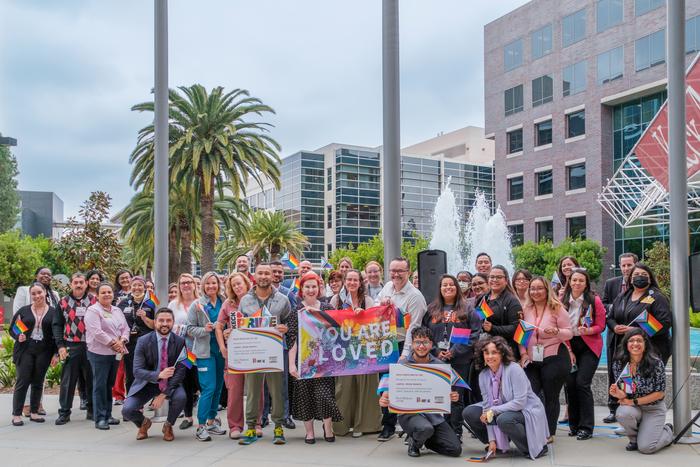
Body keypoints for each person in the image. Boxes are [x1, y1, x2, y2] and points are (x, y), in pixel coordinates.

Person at [379, 327, 462, 458]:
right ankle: (415, 443)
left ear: (432, 345)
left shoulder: (440, 366)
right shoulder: (402, 364)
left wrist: (452, 396)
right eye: (417, 342)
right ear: (412, 344)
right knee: (425, 429)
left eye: (425, 342)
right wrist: (384, 396)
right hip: (409, 414)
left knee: (455, 449)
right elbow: (387, 384)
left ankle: (424, 439)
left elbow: (448, 391)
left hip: (433, 415)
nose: (421, 346)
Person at [463, 336, 549, 460]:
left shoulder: (514, 369)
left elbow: (520, 402)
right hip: (503, 410)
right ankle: (497, 444)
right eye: (486, 352)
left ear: (502, 354)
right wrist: (491, 439)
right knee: (470, 412)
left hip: (527, 409)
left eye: (494, 352)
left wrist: (494, 410)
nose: (490, 356)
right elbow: (487, 408)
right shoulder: (483, 375)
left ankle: (533, 447)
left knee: (504, 419)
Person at [238, 263, 292, 446]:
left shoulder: (283, 299)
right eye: (260, 272)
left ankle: (278, 427)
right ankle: (251, 427)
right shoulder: (245, 300)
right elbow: (238, 324)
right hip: (252, 352)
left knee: (277, 391)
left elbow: (289, 324)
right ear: (254, 275)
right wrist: (232, 332)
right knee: (252, 392)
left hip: (275, 352)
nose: (263, 276)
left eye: (267, 273)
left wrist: (285, 328)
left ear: (272, 276)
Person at [422, 274, 481, 437]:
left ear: (457, 287)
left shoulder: (467, 308)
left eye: (451, 285)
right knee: (439, 396)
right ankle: (442, 430)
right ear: (440, 289)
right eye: (444, 285)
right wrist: (434, 350)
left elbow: (475, 333)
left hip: (460, 360)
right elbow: (424, 333)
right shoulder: (431, 309)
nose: (448, 287)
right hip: (437, 360)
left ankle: (455, 432)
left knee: (455, 397)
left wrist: (454, 351)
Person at [376, 256, 428, 441]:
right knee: (385, 386)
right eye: (393, 270)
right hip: (385, 346)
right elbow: (375, 310)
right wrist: (380, 305)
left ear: (408, 272)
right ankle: (388, 426)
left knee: (405, 389)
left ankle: (410, 428)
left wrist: (405, 355)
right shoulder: (387, 288)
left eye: (400, 271)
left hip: (402, 347)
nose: (396, 274)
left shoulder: (415, 297)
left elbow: (413, 329)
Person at [288, 273, 343, 443]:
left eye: (314, 286)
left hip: (324, 361)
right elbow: (293, 340)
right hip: (304, 362)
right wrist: (292, 365)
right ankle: (309, 432)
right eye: (307, 287)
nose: (311, 290)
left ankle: (328, 428)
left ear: (319, 288)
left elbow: (337, 328)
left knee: (324, 395)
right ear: (302, 290)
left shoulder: (327, 308)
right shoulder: (295, 311)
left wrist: (316, 312)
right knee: (305, 396)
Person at [329, 269, 382, 438]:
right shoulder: (336, 300)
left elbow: (375, 324)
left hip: (364, 351)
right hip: (344, 351)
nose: (352, 283)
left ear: (360, 282)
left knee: (364, 388)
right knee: (344, 388)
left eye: (355, 280)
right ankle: (341, 425)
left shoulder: (368, 300)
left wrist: (364, 315)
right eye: (349, 279)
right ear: (345, 281)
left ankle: (363, 425)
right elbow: (330, 324)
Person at [122, 308, 188, 442]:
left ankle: (169, 425)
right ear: (155, 322)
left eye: (168, 320)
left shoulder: (180, 341)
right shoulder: (143, 341)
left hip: (170, 384)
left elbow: (181, 371)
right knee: (127, 410)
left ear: (173, 322)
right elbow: (137, 371)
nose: (164, 324)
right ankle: (143, 423)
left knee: (181, 397)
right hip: (148, 384)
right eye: (161, 320)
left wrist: (163, 394)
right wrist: (159, 375)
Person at [519, 276, 572, 440]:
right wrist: (523, 354)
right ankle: (534, 428)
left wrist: (557, 332)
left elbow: (569, 332)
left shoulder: (557, 308)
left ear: (547, 290)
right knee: (531, 394)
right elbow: (521, 335)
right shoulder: (525, 308)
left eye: (540, 288)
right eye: (532, 288)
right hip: (532, 359)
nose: (536, 291)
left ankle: (549, 432)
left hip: (554, 356)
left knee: (551, 396)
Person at [215, 272, 264, 440]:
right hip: (235, 354)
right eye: (233, 285)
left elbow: (265, 323)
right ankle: (235, 426)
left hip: (255, 351)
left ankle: (255, 424)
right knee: (234, 390)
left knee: (255, 389)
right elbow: (219, 326)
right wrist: (222, 346)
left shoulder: (257, 301)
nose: (237, 286)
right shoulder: (228, 304)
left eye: (239, 283)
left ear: (246, 283)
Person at [609, 329, 673, 453]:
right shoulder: (619, 363)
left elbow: (660, 393)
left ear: (645, 344)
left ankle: (667, 431)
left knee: (646, 448)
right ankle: (634, 440)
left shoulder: (655, 363)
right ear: (626, 344)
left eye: (639, 340)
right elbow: (625, 392)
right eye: (631, 340)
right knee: (622, 412)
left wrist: (632, 402)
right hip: (634, 408)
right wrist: (618, 393)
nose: (635, 344)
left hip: (653, 408)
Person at [561, 268, 606, 440]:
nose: (577, 283)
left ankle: (586, 427)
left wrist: (588, 331)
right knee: (570, 385)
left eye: (581, 280)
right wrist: (569, 350)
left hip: (589, 345)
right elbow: (560, 327)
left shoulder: (594, 300)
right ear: (569, 282)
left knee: (582, 383)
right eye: (574, 280)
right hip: (568, 345)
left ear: (586, 283)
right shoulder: (562, 300)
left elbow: (601, 326)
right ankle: (574, 425)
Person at [10, 282, 57, 426]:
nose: (37, 296)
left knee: (38, 381)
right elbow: (13, 329)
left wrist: (55, 353)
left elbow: (57, 334)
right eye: (34, 294)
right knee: (23, 380)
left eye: (39, 292)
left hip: (44, 350)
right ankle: (16, 414)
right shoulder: (24, 311)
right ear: (31, 296)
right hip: (25, 349)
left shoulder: (54, 312)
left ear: (45, 293)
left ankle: (34, 412)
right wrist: (19, 336)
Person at [187, 271, 227, 441]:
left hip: (221, 351)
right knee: (208, 388)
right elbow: (189, 328)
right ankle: (201, 425)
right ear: (202, 285)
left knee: (218, 387)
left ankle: (212, 421)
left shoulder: (224, 302)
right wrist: (205, 329)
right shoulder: (197, 304)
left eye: (214, 283)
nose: (211, 286)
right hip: (204, 352)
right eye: (208, 283)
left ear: (218, 284)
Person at [84, 282, 129, 430]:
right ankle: (100, 418)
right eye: (103, 292)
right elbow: (97, 332)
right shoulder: (93, 310)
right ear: (97, 295)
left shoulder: (116, 310)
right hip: (99, 353)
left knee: (109, 385)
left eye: (109, 292)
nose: (107, 294)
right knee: (99, 385)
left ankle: (108, 415)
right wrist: (113, 343)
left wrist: (122, 340)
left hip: (115, 354)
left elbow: (125, 328)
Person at [54, 273, 97, 425]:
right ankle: (64, 412)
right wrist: (60, 346)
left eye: (81, 282)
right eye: (75, 282)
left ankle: (92, 411)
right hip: (71, 345)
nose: (78, 285)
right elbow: (57, 325)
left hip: (91, 345)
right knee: (68, 381)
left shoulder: (94, 301)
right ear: (71, 284)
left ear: (86, 284)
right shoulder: (63, 302)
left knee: (92, 379)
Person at [602, 252, 638, 423]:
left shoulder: (640, 284)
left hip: (634, 337)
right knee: (613, 372)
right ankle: (613, 408)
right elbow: (604, 306)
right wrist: (615, 325)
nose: (625, 268)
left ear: (635, 265)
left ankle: (629, 407)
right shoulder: (611, 283)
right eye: (623, 265)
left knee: (630, 372)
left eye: (629, 265)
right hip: (614, 336)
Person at [167, 273, 199, 430]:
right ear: (179, 286)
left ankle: (208, 418)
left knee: (202, 383)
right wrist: (186, 329)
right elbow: (168, 325)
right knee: (186, 383)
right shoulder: (174, 305)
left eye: (189, 282)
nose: (186, 285)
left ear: (194, 284)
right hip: (184, 353)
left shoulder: (201, 303)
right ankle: (188, 416)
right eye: (183, 283)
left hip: (200, 350)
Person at [117, 276, 156, 394]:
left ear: (145, 287)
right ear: (130, 287)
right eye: (134, 285)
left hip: (148, 343)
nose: (137, 288)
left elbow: (157, 325)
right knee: (131, 373)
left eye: (140, 285)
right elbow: (117, 324)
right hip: (130, 344)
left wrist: (145, 317)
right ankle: (132, 399)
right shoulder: (124, 303)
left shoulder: (152, 302)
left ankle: (148, 397)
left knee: (148, 371)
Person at [480, 266, 521, 359]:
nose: (495, 280)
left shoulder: (512, 301)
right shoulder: (484, 298)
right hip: (486, 350)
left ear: (506, 280)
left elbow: (517, 328)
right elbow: (480, 322)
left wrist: (493, 328)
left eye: (499, 277)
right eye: (492, 277)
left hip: (505, 351)